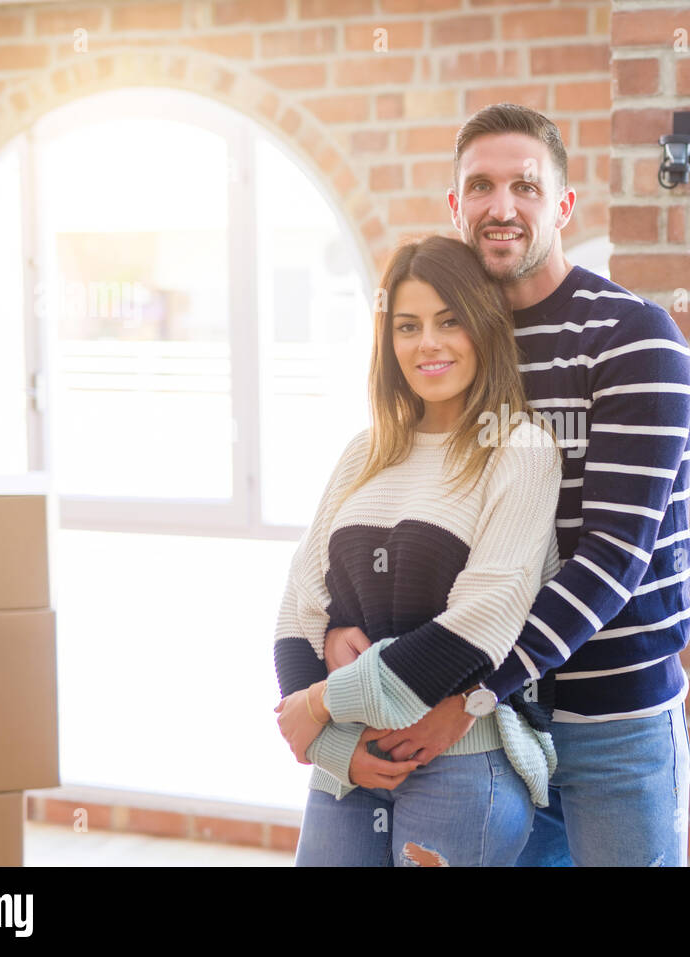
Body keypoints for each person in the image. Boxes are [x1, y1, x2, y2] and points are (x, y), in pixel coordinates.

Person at [323, 104, 690, 866]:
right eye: (482, 186)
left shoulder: (634, 339)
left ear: (562, 205)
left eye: (525, 186)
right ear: (455, 208)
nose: (502, 206)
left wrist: (470, 696)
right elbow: (405, 500)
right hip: (483, 731)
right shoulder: (452, 344)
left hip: (605, 719)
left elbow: (613, 557)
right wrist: (338, 624)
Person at [271, 234, 562, 867]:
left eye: (448, 321)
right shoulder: (364, 452)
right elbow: (299, 607)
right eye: (407, 326)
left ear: (483, 328)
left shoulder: (522, 448)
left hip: (462, 765)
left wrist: (321, 701)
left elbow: (478, 627)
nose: (426, 343)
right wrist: (330, 747)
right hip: (347, 764)